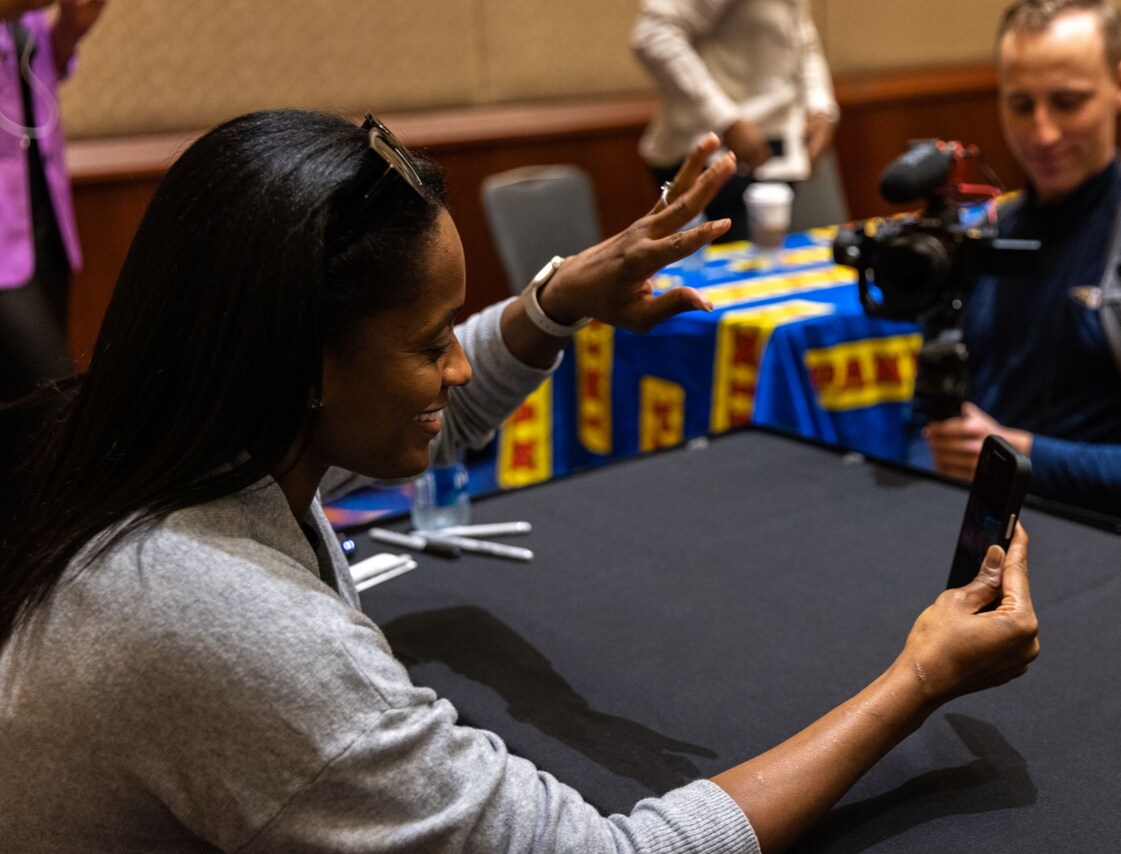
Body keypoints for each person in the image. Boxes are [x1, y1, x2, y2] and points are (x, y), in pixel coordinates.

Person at [0, 108, 1040, 850]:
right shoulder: (227, 627)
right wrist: (916, 679)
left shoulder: (163, 427)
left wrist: (553, 304)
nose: (456, 366)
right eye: (427, 342)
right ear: (301, 364)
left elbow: (422, 420)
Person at [923, 0, 1121, 541]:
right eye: (1021, 105)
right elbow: (928, 425)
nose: (1043, 133)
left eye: (1068, 103)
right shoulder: (974, 241)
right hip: (987, 555)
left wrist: (1016, 456)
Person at [0, 0, 105, 522]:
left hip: (40, 222)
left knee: (17, 430)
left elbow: (38, 74)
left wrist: (70, 29)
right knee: (54, 412)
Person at [632, 0, 840, 242]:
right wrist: (725, 118)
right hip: (710, 156)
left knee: (770, 272)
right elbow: (654, 35)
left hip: (773, 152)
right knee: (719, 276)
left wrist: (821, 106)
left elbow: (799, 32)